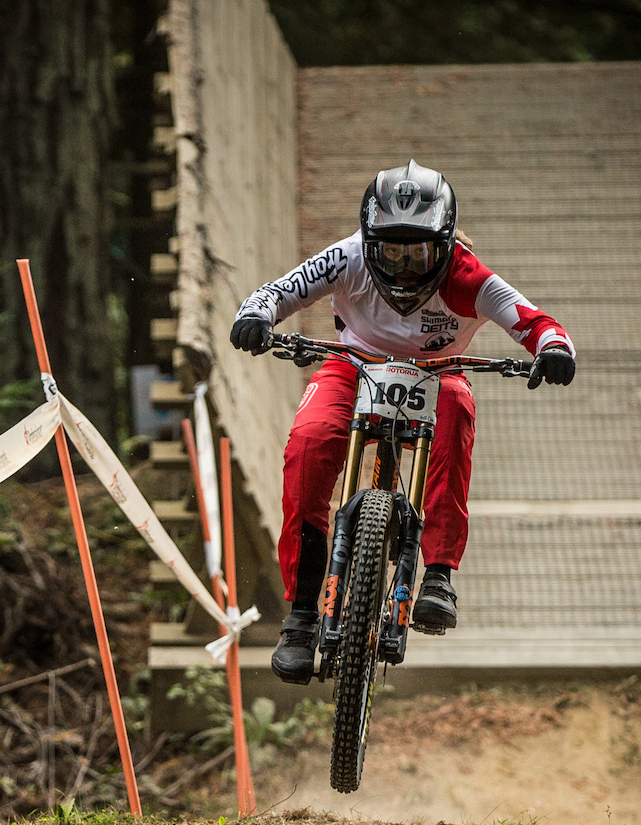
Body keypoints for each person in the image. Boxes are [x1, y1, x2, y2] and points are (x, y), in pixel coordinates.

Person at [230, 159, 577, 684]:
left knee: (458, 411)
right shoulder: (346, 258)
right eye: (392, 250)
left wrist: (553, 349)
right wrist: (256, 316)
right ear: (369, 241)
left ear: (445, 246)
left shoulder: (469, 277)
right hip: (352, 364)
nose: (406, 267)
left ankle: (437, 574)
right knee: (308, 444)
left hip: (439, 374)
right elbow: (278, 291)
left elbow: (536, 323)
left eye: (419, 252)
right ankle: (301, 616)